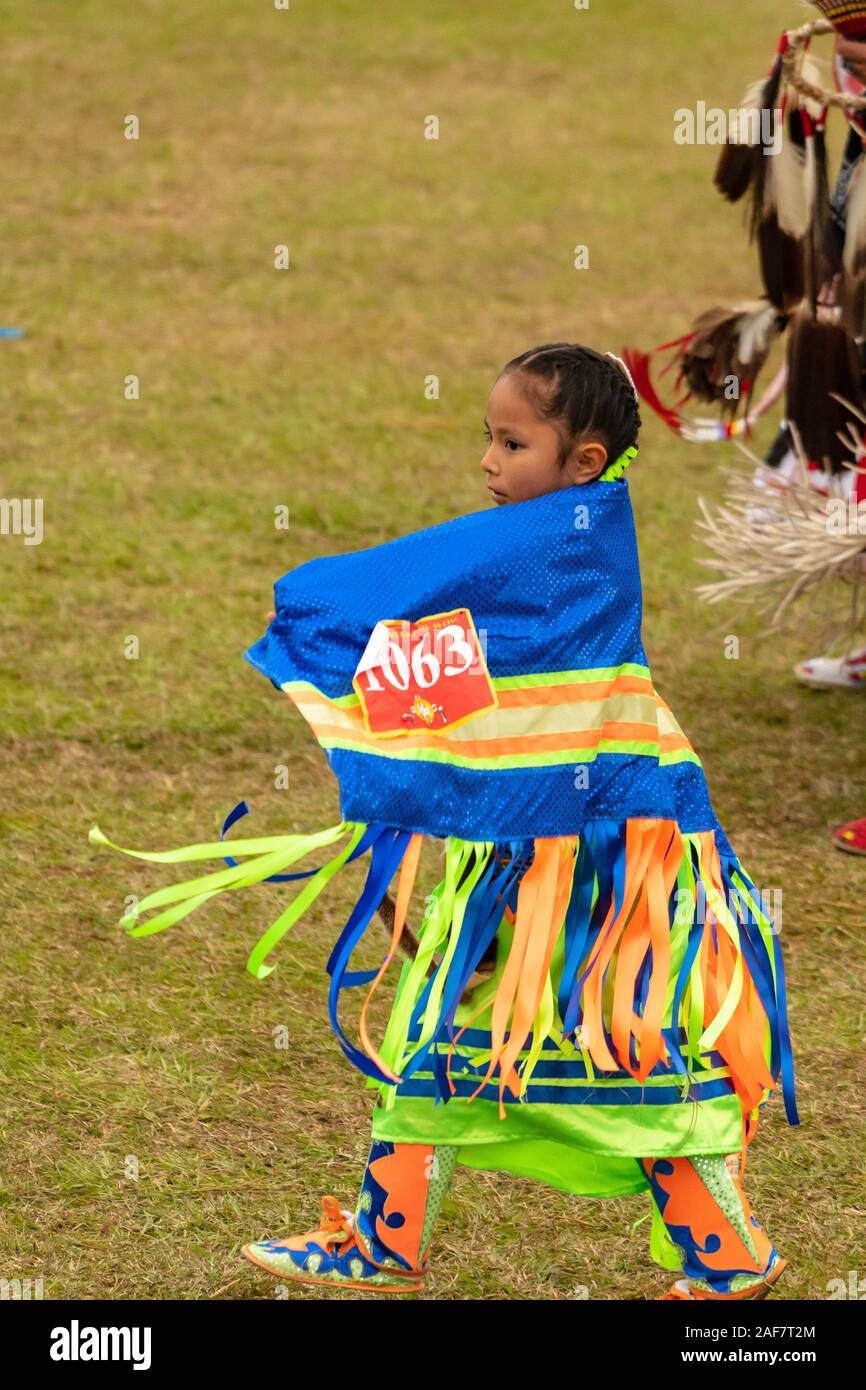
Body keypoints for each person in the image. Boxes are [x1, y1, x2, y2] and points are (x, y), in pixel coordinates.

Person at [92, 346, 798, 1300]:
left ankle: (722, 1253)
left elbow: (425, 584)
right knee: (476, 1029)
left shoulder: (564, 539)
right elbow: (468, 640)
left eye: (513, 442)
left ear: (584, 460)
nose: (490, 463)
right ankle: (400, 1242)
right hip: (548, 840)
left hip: (589, 861)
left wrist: (317, 606)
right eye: (488, 439)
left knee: (606, 1040)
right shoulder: (572, 525)